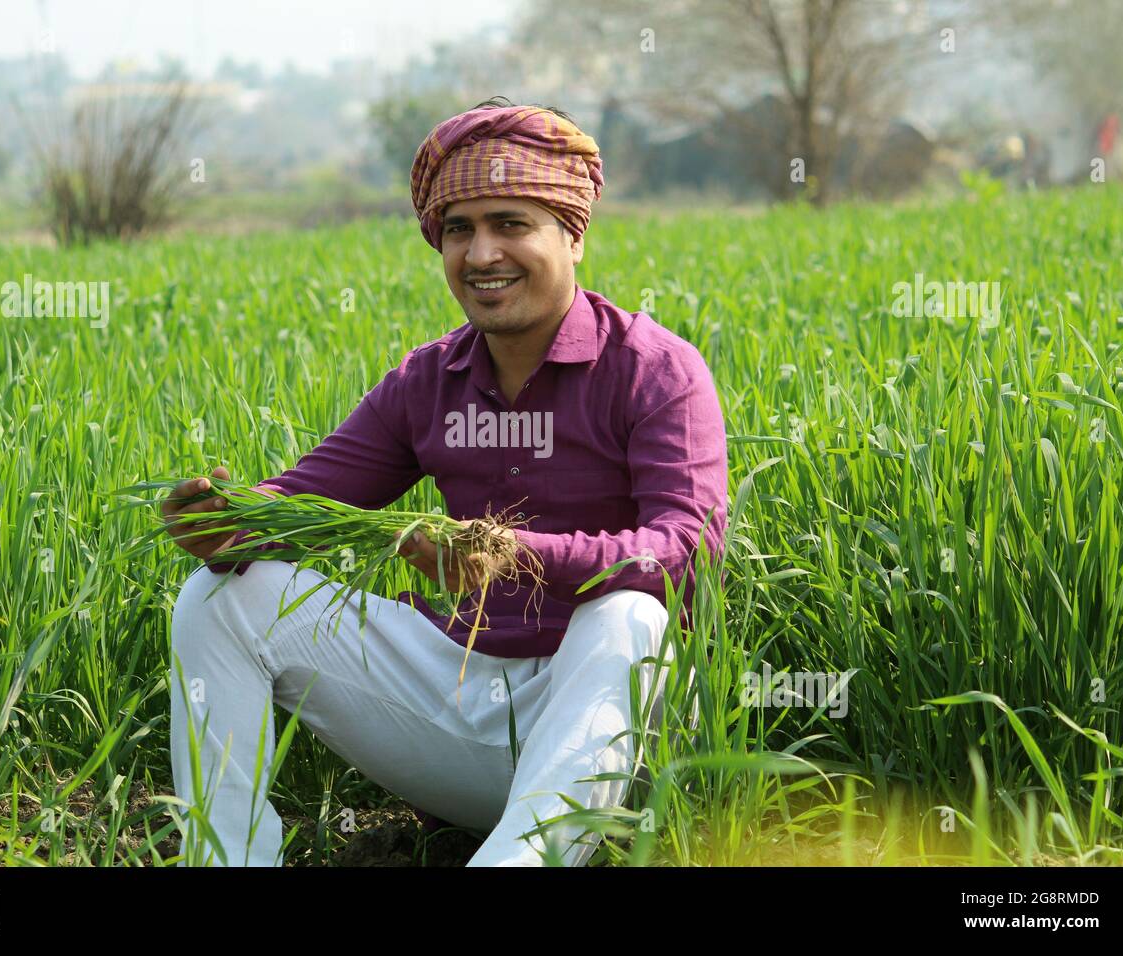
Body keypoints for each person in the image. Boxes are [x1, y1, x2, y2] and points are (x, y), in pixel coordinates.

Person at [163, 97, 728, 866]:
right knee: (223, 599)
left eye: (511, 223)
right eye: (458, 229)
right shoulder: (428, 382)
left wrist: (516, 553)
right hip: (463, 707)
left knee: (629, 614)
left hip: (611, 742)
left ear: (573, 234)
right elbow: (303, 499)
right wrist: (233, 521)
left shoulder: (655, 371)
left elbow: (684, 549)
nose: (482, 253)